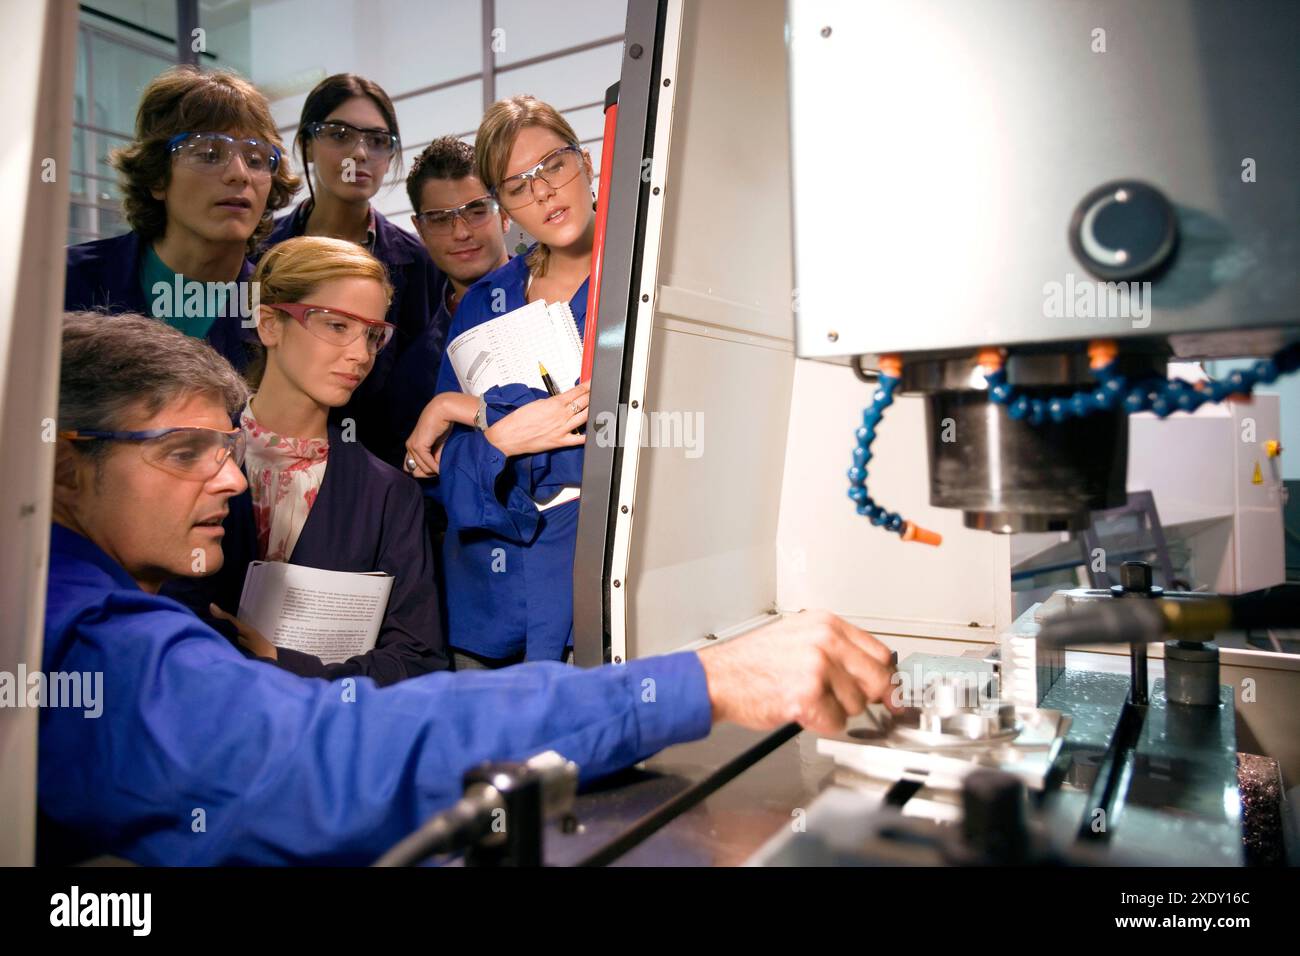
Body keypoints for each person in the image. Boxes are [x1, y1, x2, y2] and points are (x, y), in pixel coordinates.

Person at [43, 311, 898, 865]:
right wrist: (705, 680)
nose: (230, 481)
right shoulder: (81, 634)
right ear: (64, 465)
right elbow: (321, 760)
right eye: (185, 452)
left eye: (227, 449)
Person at [160, 237, 448, 685]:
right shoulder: (186, 456)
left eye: (373, 335)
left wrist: (284, 663)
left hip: (320, 739)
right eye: (337, 326)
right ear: (270, 324)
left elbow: (417, 659)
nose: (360, 355)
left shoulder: (390, 494)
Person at [405, 96, 597, 669]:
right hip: (487, 598)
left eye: (554, 166)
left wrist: (466, 411)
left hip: (591, 582)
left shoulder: (641, 276)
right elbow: (441, 473)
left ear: (587, 163)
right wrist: (497, 435)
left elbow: (620, 442)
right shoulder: (486, 304)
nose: (542, 192)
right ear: (506, 210)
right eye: (516, 186)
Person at [260, 73, 445, 468]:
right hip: (268, 464)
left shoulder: (421, 265)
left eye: (378, 141)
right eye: (340, 134)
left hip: (382, 477)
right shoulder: (259, 253)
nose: (360, 153)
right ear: (307, 145)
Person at [64, 66, 298, 372]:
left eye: (255, 160)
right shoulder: (67, 284)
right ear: (157, 178)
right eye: (209, 154)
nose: (239, 174)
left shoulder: (281, 311)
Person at [386, 136, 513, 455]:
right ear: (420, 229)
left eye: (476, 210)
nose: (461, 232)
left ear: (505, 213)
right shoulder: (415, 370)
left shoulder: (559, 294)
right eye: (441, 219)